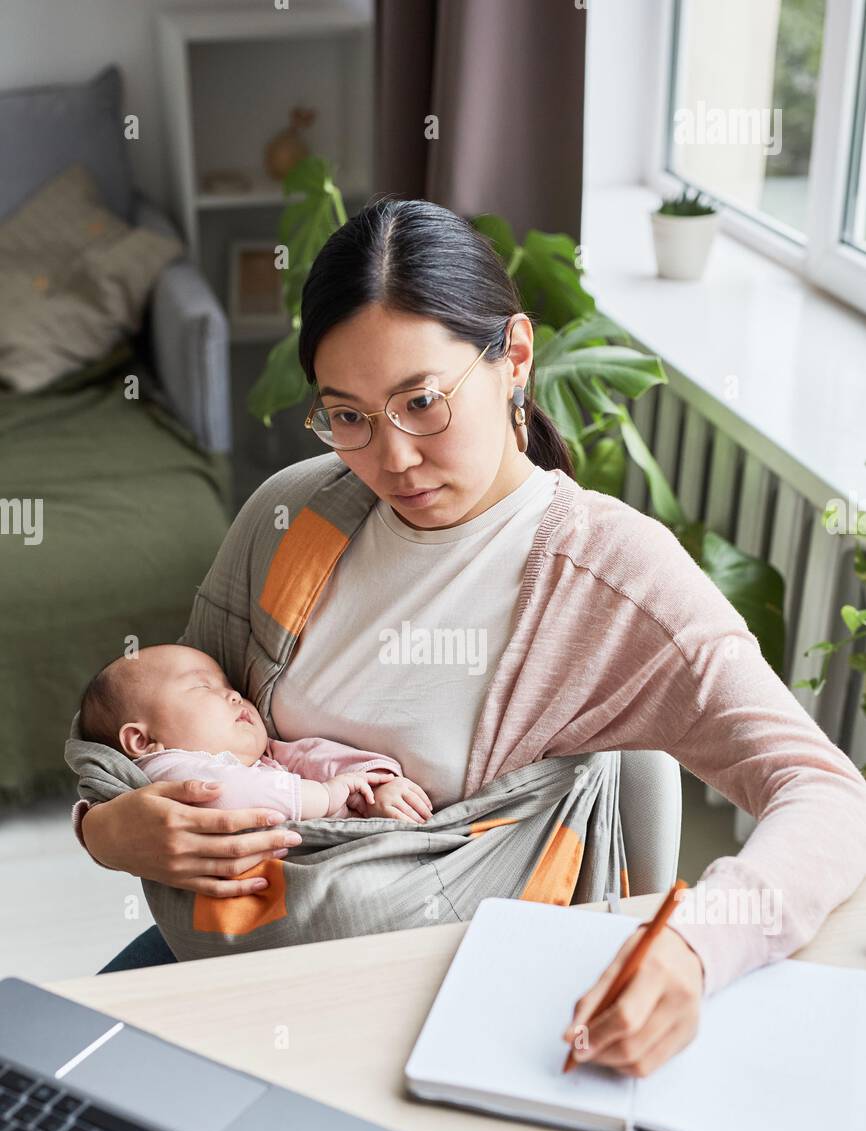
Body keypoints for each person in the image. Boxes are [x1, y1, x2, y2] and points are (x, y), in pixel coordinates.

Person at [71, 197, 866, 1077]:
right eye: (349, 416)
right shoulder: (294, 515)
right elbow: (162, 726)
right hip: (226, 961)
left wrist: (694, 947)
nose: (392, 458)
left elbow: (828, 795)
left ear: (514, 356)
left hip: (430, 1015)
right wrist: (106, 833)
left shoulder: (606, 576)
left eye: (421, 402)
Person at [77, 643, 433, 822]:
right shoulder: (168, 770)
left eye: (229, 684)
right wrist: (327, 796)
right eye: (202, 687)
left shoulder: (264, 760)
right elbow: (232, 794)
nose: (233, 693)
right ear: (142, 741)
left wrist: (372, 787)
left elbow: (312, 757)